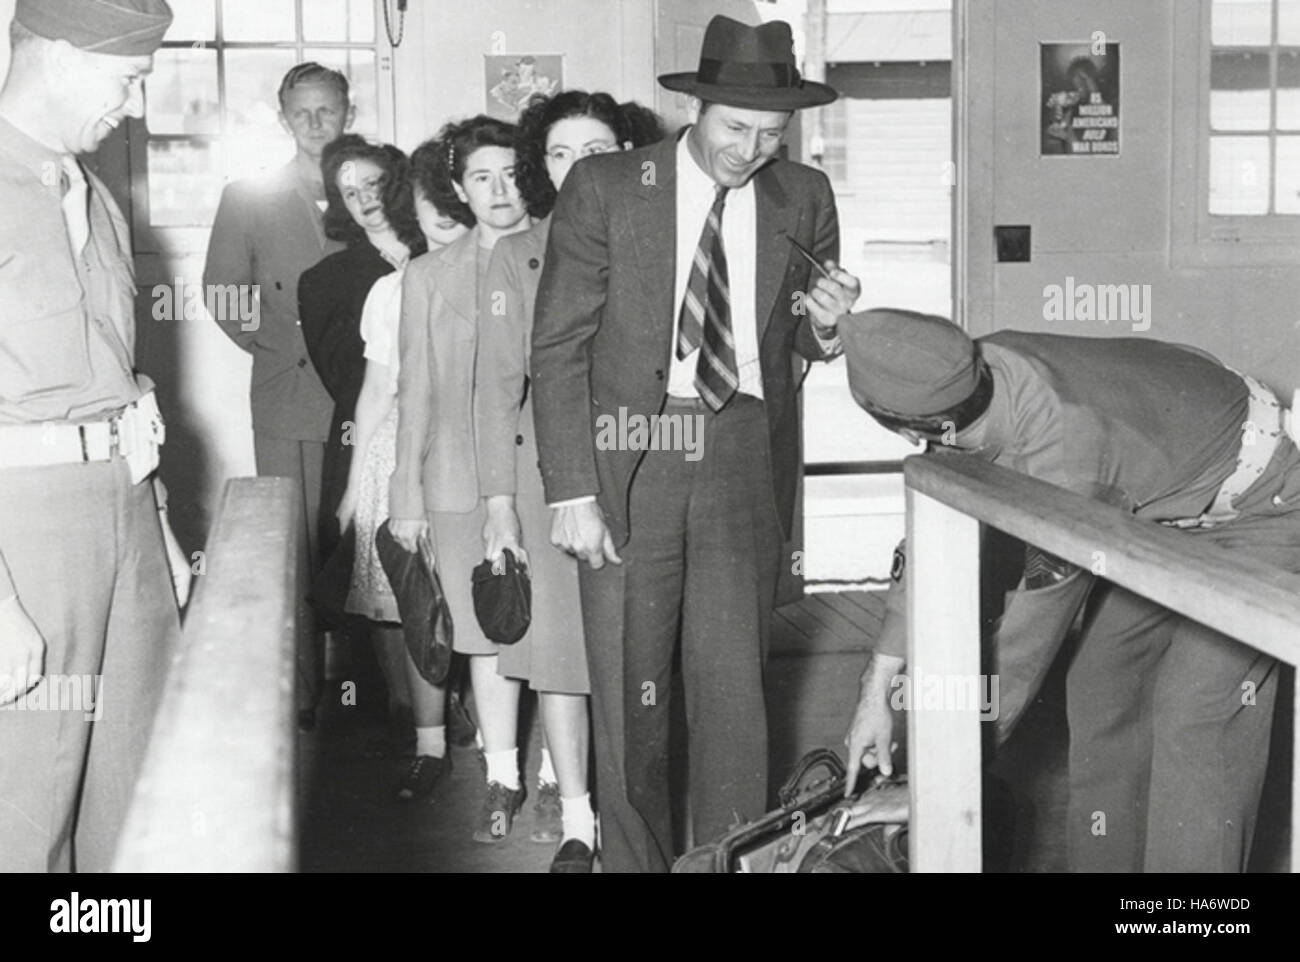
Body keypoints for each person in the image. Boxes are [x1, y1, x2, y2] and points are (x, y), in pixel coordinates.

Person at [530, 15, 862, 872]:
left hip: (743, 451)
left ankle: (727, 862)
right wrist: (571, 488)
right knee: (631, 693)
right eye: (734, 128)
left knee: (735, 697)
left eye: (771, 134)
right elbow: (559, 344)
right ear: (698, 108)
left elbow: (798, 345)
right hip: (630, 451)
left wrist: (826, 330)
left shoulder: (805, 197)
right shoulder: (608, 186)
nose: (750, 150)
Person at [839, 309, 1299, 872]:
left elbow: (1023, 650)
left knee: (1197, 711)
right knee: (1103, 684)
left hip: (1263, 502)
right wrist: (877, 690)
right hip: (1159, 503)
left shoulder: (1066, 460)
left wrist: (932, 789)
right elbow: (930, 538)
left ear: (908, 430)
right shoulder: (971, 374)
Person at [0, 0, 183, 872]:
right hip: (23, 527)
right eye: (128, 80)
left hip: (127, 512)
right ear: (64, 57)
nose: (136, 107)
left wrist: (164, 534)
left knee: (137, 788)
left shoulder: (93, 193)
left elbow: (125, 383)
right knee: (27, 805)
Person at [476, 90, 665, 871]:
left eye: (596, 150)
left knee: (640, 655)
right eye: (560, 153)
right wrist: (499, 509)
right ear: (539, 168)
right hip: (552, 475)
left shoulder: (661, 238)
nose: (580, 166)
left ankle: (640, 812)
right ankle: (582, 821)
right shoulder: (517, 258)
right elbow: (496, 391)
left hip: (649, 464)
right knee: (561, 659)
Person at [388, 116, 536, 840]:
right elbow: (411, 393)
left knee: (556, 637)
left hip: (543, 478)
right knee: (485, 635)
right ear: (457, 188)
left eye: (512, 172)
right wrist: (403, 495)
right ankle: (504, 777)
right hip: (453, 482)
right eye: (482, 176)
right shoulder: (425, 276)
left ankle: (558, 777)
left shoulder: (564, 252)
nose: (501, 189)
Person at [203, 62, 355, 729]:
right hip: (288, 391)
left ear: (348, 112)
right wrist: (271, 343)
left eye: (328, 111)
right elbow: (224, 289)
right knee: (294, 541)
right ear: (284, 115)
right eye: (303, 113)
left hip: (366, 393)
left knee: (363, 535)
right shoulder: (249, 195)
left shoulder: (374, 183)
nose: (317, 124)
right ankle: (302, 689)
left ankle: (378, 686)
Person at [335, 139, 473, 795]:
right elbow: (374, 392)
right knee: (413, 604)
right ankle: (429, 741)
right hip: (404, 458)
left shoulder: (503, 276)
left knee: (479, 597)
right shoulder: (393, 291)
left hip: (479, 454)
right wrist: (354, 484)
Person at [298, 135, 425, 748]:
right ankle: (402, 710)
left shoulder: (437, 246)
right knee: (378, 579)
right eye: (349, 192)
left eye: (373, 185)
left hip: (446, 433)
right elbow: (346, 380)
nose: (364, 200)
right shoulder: (327, 280)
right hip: (368, 435)